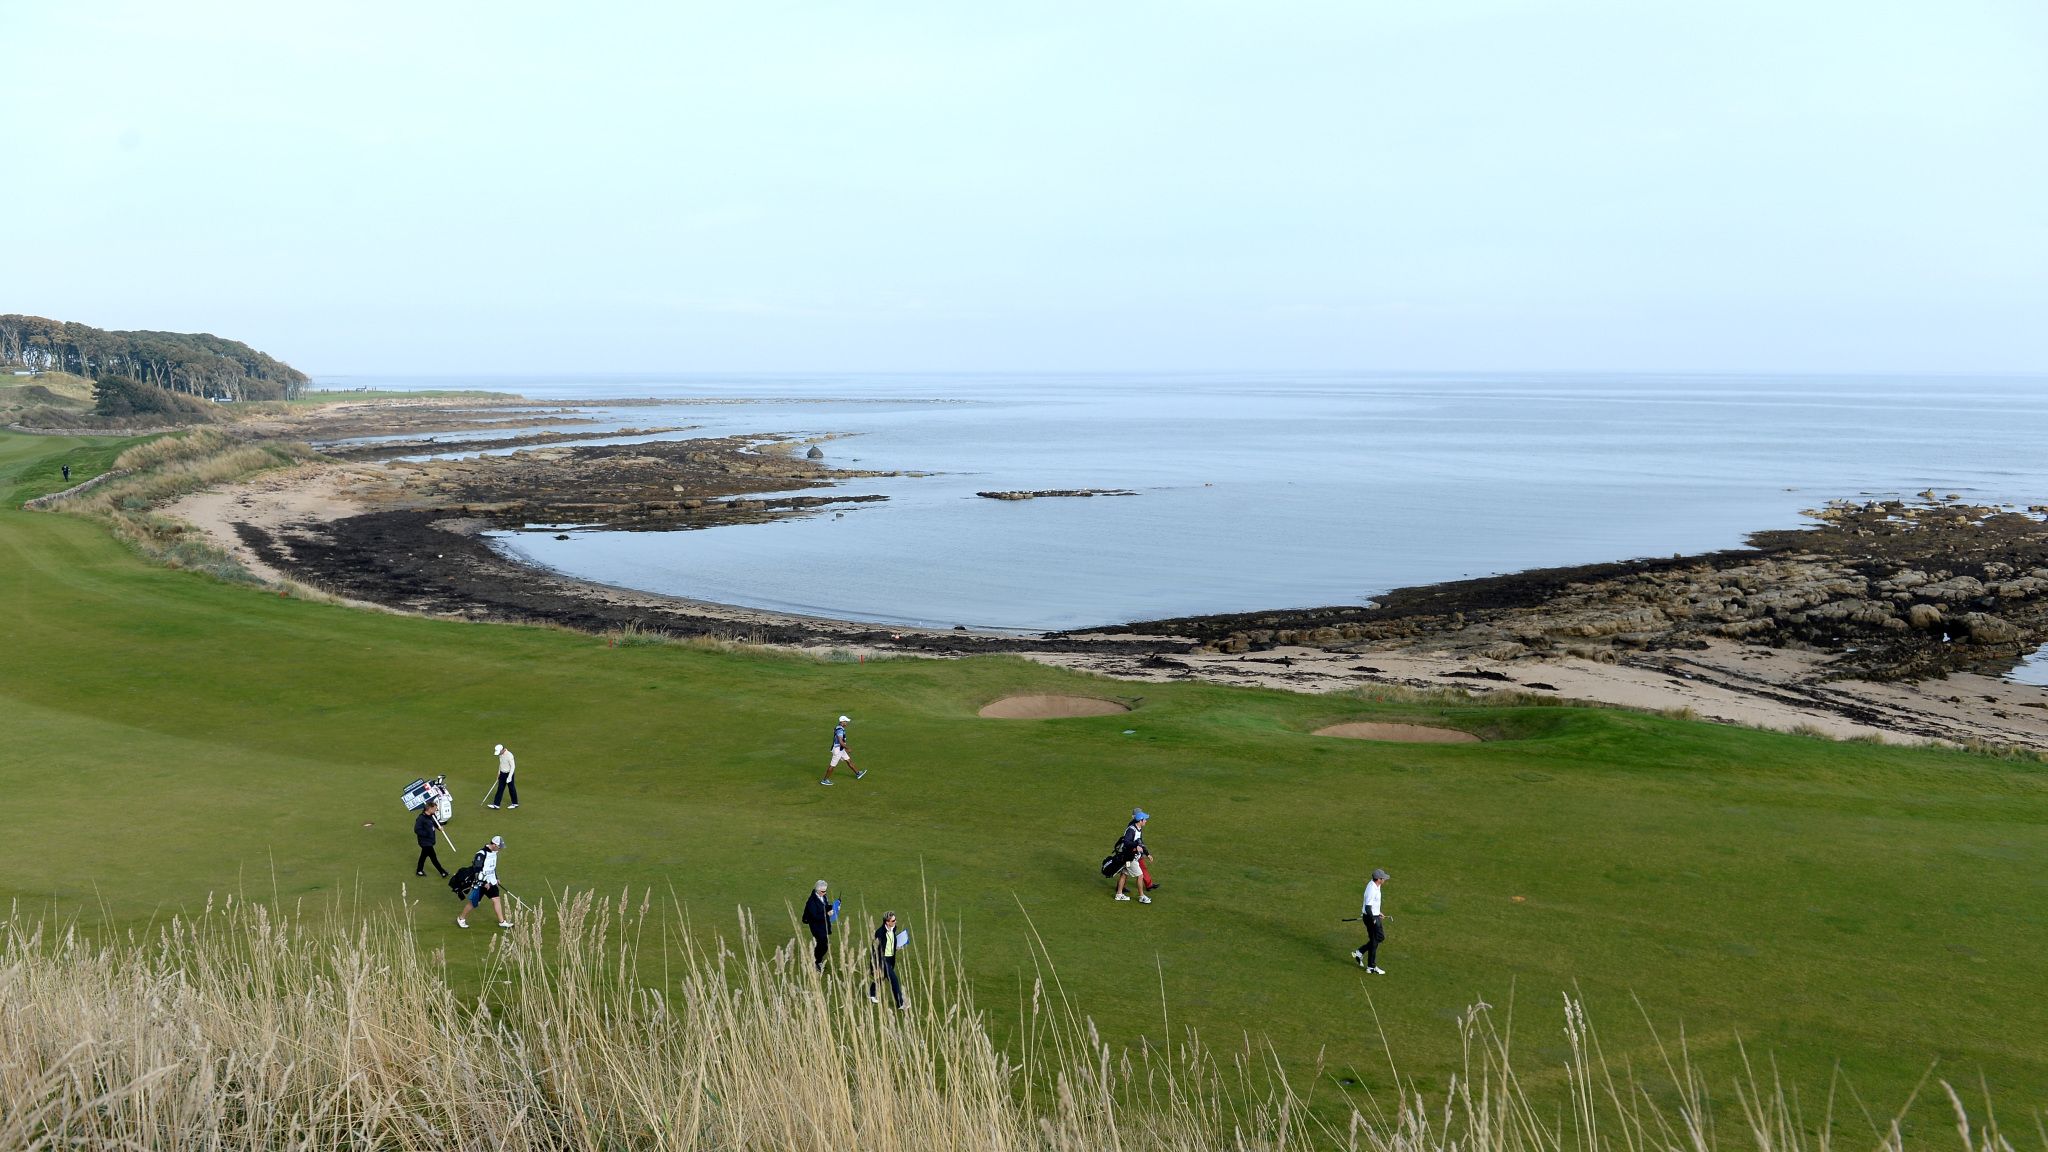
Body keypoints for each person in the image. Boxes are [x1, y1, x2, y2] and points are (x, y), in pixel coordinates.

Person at [458, 836, 511, 929]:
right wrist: (483, 883)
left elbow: (492, 867)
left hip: (491, 882)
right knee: (474, 903)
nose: (500, 849)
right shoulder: (481, 854)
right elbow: (476, 871)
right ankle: (461, 918)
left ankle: (502, 921)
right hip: (481, 884)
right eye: (499, 846)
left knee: (496, 899)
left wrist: (496, 877)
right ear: (494, 844)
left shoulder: (495, 852)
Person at [1352, 868, 1389, 973]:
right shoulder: (1371, 889)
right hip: (1370, 917)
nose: (1385, 880)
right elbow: (1368, 907)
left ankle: (1360, 953)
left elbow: (1373, 905)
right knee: (1375, 940)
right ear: (1378, 879)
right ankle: (1371, 967)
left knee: (1378, 938)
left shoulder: (1377, 885)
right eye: (1383, 878)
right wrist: (1374, 919)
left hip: (1374, 915)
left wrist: (1378, 912)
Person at [1113, 809, 1151, 903]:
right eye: (1145, 819)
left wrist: (1147, 853)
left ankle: (1119, 894)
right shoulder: (1131, 830)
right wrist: (1135, 846)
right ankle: (1141, 896)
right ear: (1140, 820)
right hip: (1129, 858)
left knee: (1124, 874)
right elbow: (1126, 842)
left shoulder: (1139, 829)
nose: (1146, 821)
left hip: (1129, 858)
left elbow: (1140, 843)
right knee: (1140, 875)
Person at [869, 911, 906, 1008]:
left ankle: (872, 994)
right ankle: (900, 1003)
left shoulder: (893, 929)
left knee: (881, 977)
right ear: (887, 922)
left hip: (891, 959)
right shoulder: (880, 933)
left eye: (895, 919)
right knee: (894, 980)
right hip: (882, 960)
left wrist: (896, 947)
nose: (895, 921)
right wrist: (874, 966)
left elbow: (891, 942)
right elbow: (874, 950)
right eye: (893, 920)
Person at [802, 879, 834, 970]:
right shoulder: (811, 902)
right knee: (823, 944)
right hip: (816, 926)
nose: (825, 893)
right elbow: (815, 917)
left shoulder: (823, 896)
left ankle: (817, 960)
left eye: (825, 891)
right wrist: (827, 914)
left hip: (823, 925)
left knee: (823, 944)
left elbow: (825, 906)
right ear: (817, 890)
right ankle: (815, 962)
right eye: (823, 891)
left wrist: (833, 906)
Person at [821, 715, 860, 785]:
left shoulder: (838, 728)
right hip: (838, 750)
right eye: (846, 721)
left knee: (848, 760)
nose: (847, 723)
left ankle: (858, 773)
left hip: (840, 749)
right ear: (842, 722)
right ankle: (824, 780)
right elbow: (840, 741)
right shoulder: (840, 730)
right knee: (832, 765)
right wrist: (847, 748)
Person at [413, 801, 447, 877]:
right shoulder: (421, 818)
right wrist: (427, 833)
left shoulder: (432, 815)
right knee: (433, 857)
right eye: (435, 808)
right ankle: (442, 872)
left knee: (423, 856)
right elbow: (417, 830)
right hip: (425, 842)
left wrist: (439, 827)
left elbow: (435, 822)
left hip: (430, 840)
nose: (436, 810)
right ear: (430, 809)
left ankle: (419, 870)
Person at [488, 743, 519, 809]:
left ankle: (515, 803)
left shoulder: (509, 755)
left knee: (511, 789)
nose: (498, 753)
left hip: (509, 773)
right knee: (500, 789)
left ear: (502, 750)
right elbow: (501, 764)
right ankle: (496, 804)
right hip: (502, 773)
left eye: (499, 752)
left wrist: (510, 777)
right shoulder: (500, 754)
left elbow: (513, 767)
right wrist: (499, 773)